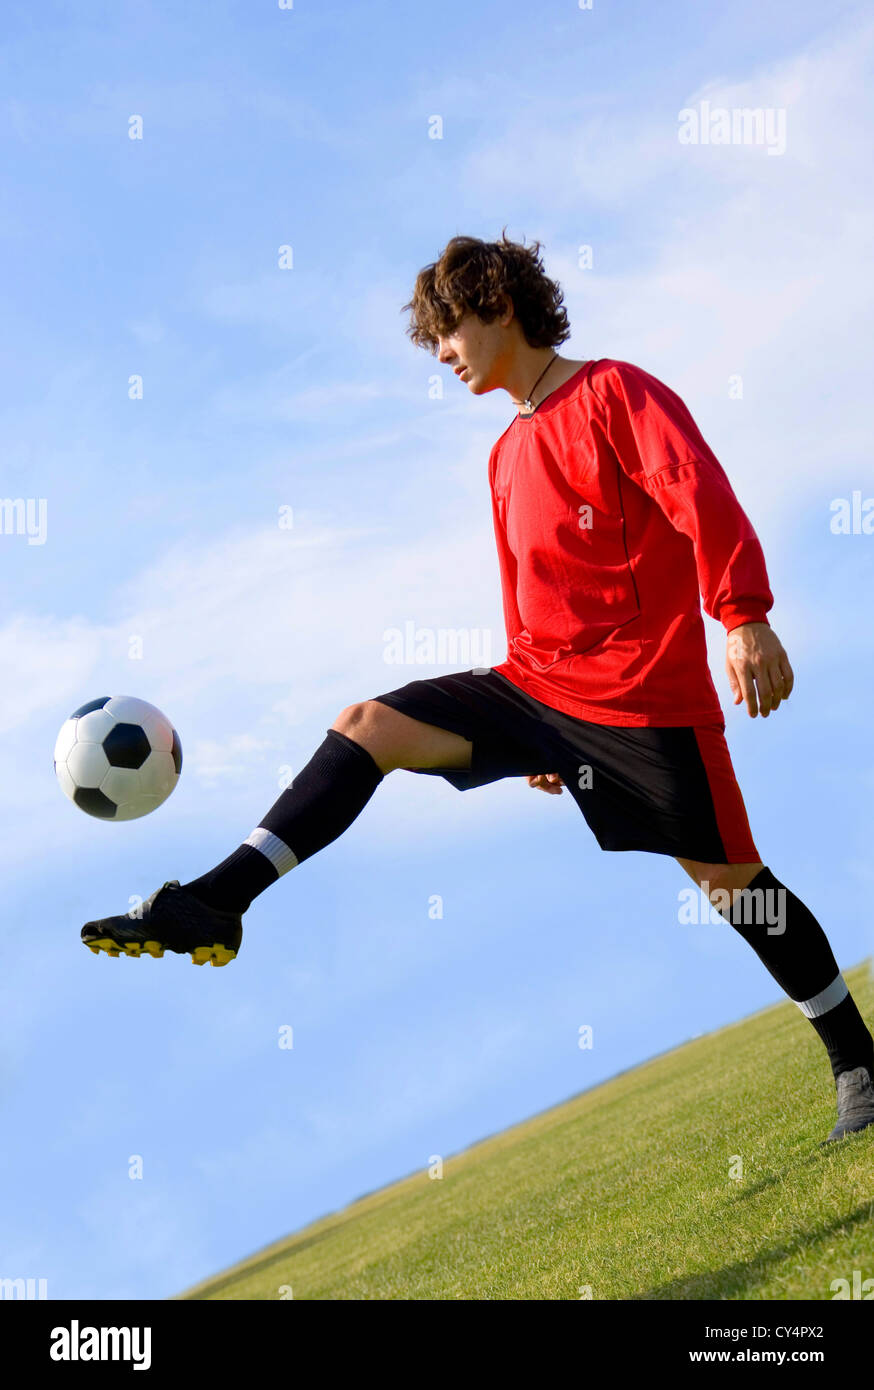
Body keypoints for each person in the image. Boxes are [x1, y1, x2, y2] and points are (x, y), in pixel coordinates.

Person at [81, 230, 874, 1144]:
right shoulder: (501, 456)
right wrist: (533, 738)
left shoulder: (616, 391)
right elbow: (530, 597)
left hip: (639, 699)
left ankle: (857, 1060)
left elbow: (697, 490)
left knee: (736, 887)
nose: (444, 355)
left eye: (448, 331)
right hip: (535, 686)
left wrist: (742, 615)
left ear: (499, 305)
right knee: (368, 724)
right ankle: (218, 899)